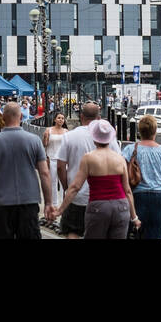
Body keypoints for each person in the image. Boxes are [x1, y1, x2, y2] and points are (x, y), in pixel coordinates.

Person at [0, 102, 56, 239]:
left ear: (3, 117)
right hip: (28, 201)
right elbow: (44, 173)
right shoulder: (34, 141)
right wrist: (48, 202)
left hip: (2, 202)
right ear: (20, 116)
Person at [56, 120, 139, 239]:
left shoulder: (89, 158)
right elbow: (127, 191)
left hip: (98, 206)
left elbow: (75, 187)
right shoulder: (120, 159)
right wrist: (134, 217)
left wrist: (60, 210)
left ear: (94, 139)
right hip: (121, 206)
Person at [121, 115, 161, 239]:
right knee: (157, 234)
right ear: (154, 131)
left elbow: (123, 176)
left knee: (136, 233)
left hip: (138, 195)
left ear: (140, 131)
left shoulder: (129, 150)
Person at [56, 101, 100, 238]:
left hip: (76, 196)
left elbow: (60, 166)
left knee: (72, 231)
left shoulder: (69, 136)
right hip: (100, 195)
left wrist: (66, 187)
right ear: (99, 118)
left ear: (81, 117)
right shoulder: (107, 138)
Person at [42, 112, 68, 205]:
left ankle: (62, 202)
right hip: (51, 158)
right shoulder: (48, 130)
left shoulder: (66, 131)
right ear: (55, 120)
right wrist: (45, 138)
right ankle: (54, 203)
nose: (61, 120)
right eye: (59, 118)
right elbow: (44, 145)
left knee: (63, 182)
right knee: (52, 181)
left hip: (62, 159)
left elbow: (67, 146)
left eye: (62, 118)